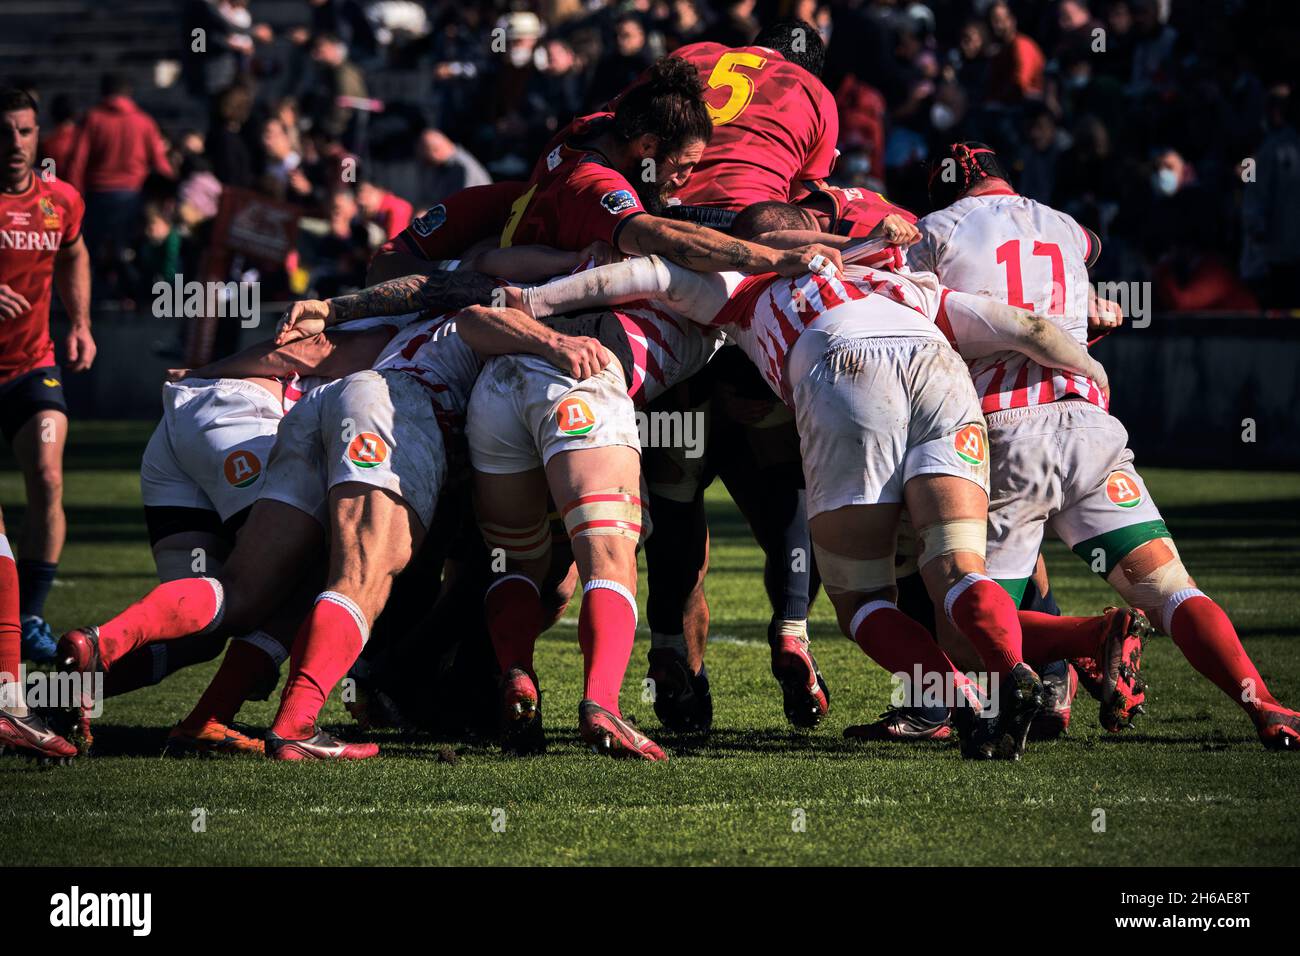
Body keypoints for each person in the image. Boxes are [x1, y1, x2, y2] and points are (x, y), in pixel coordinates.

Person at [907, 142, 1300, 751]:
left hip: (1007, 434)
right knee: (1174, 591)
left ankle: (1082, 643)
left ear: (946, 190)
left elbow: (915, 314)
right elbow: (1083, 255)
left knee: (967, 618)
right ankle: (1265, 703)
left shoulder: (932, 232)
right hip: (1091, 425)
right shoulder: (1066, 227)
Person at [0, 87, 93, 664]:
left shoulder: (61, 201)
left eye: (25, 130)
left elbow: (74, 253)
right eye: (4, 131)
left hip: (33, 366)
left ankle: (30, 615)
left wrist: (80, 322)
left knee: (49, 476)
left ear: (39, 135)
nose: (15, 142)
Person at [65, 74, 173, 270]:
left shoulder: (93, 119)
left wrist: (73, 196)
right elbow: (160, 164)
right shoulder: (144, 121)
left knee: (93, 251)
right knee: (128, 248)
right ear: (129, 94)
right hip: (133, 195)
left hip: (99, 195)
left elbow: (77, 162)